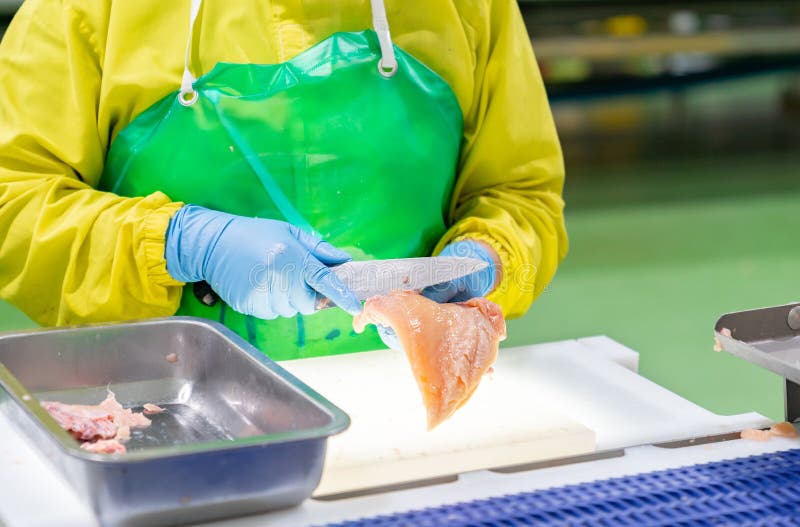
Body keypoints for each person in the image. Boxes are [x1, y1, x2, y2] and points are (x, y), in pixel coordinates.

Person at [0, 0, 567, 360]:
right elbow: (13, 203)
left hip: (398, 389)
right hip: (166, 395)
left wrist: (486, 258)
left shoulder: (467, 8)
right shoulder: (89, 11)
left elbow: (520, 192)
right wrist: (180, 243)